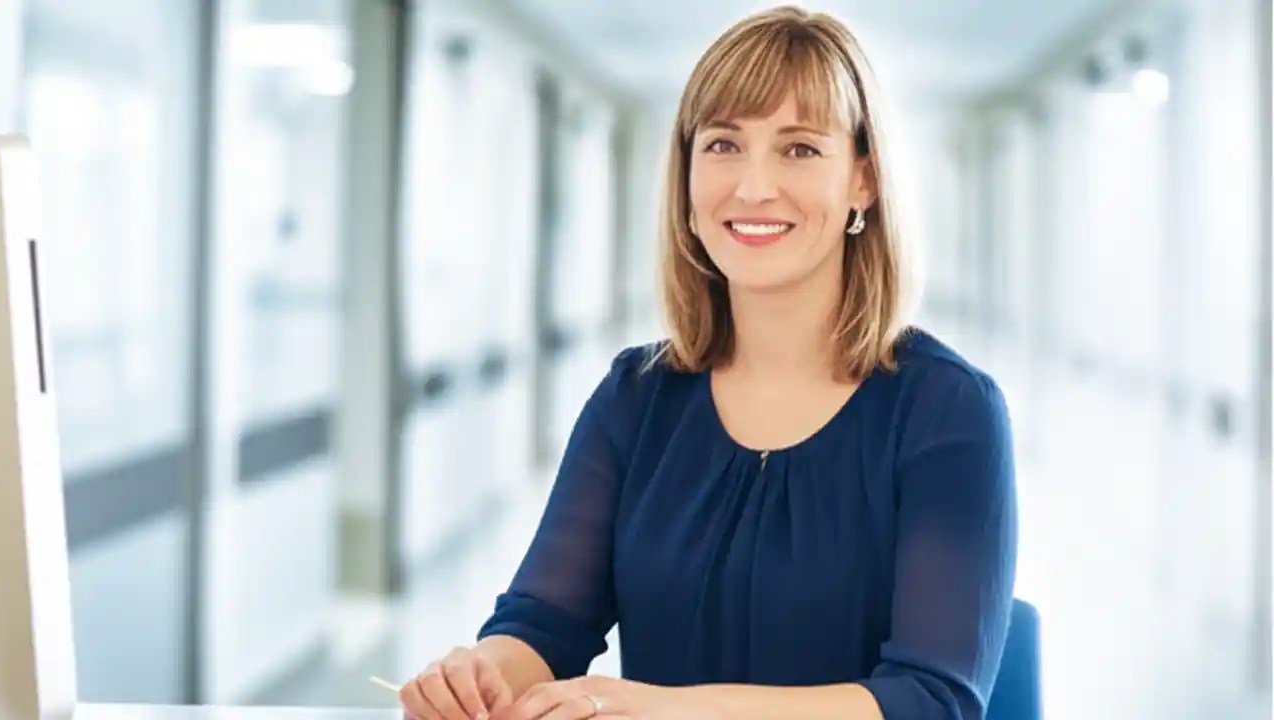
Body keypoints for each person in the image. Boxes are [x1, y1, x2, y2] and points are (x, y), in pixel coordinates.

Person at [399, 5, 1017, 720]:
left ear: (863, 181)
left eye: (799, 149)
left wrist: (667, 710)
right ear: (687, 182)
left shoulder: (947, 410)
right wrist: (479, 678)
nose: (753, 187)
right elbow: (543, 623)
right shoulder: (636, 398)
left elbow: (931, 699)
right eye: (723, 145)